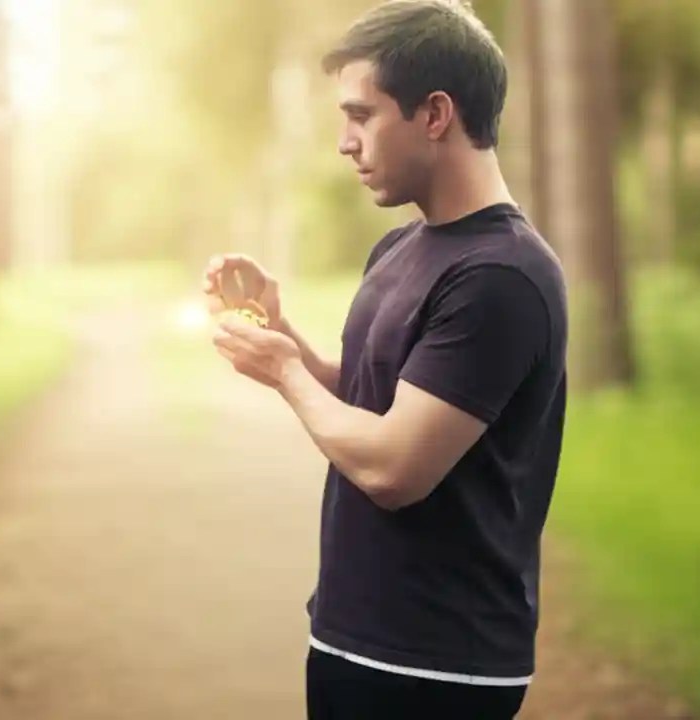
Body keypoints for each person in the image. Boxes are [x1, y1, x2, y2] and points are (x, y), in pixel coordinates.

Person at [202, 1, 568, 718]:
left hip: (438, 665)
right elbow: (377, 406)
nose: (344, 142)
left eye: (361, 115)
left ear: (435, 114)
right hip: (354, 635)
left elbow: (396, 467)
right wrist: (285, 337)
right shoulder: (403, 247)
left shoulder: (501, 276)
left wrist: (282, 371)